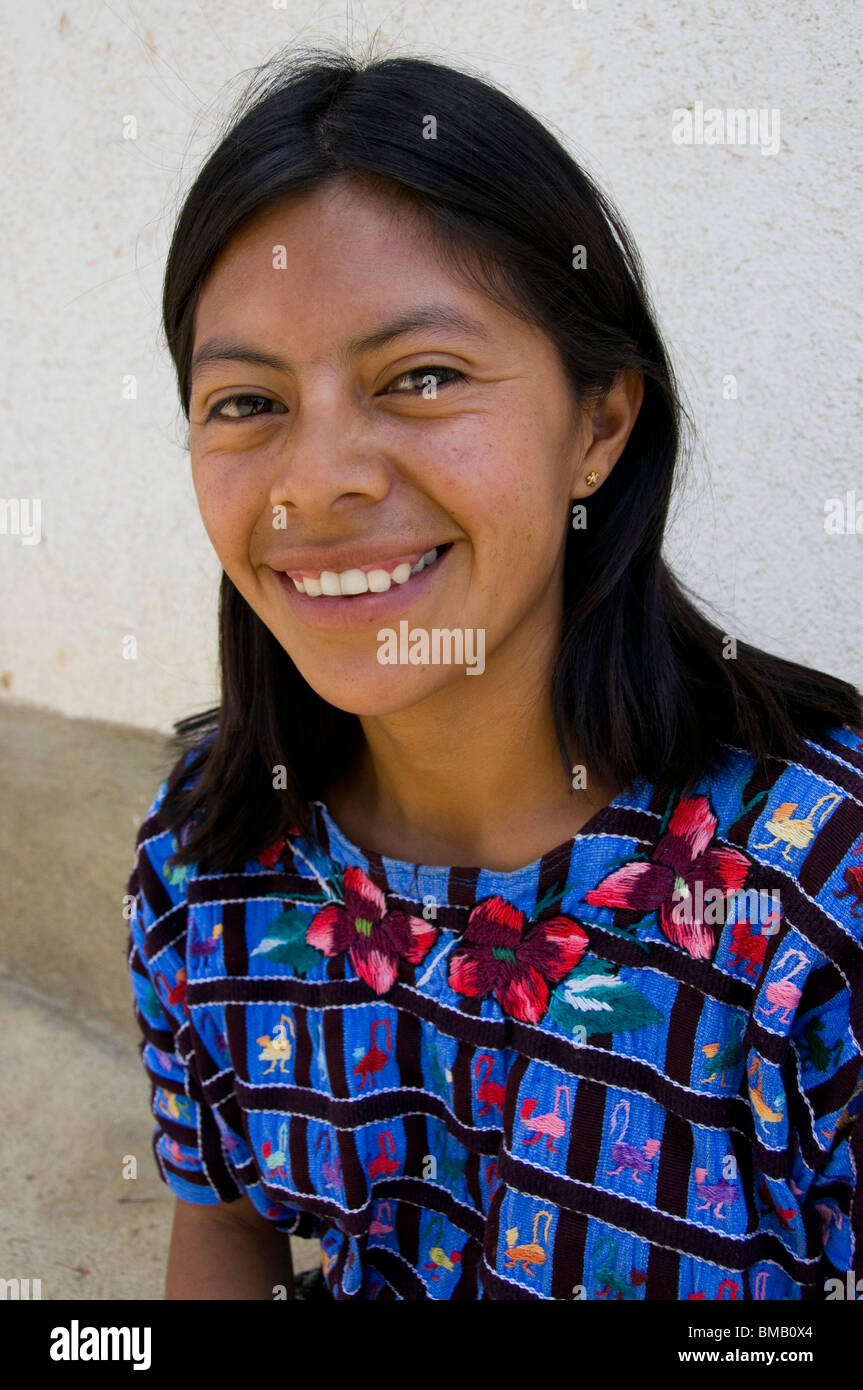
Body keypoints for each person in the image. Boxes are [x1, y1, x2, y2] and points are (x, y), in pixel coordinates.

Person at [126, 47, 863, 1301]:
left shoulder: (813, 894)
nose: (315, 481)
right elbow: (224, 1227)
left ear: (598, 424)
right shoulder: (207, 863)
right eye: (245, 401)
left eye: (419, 378)